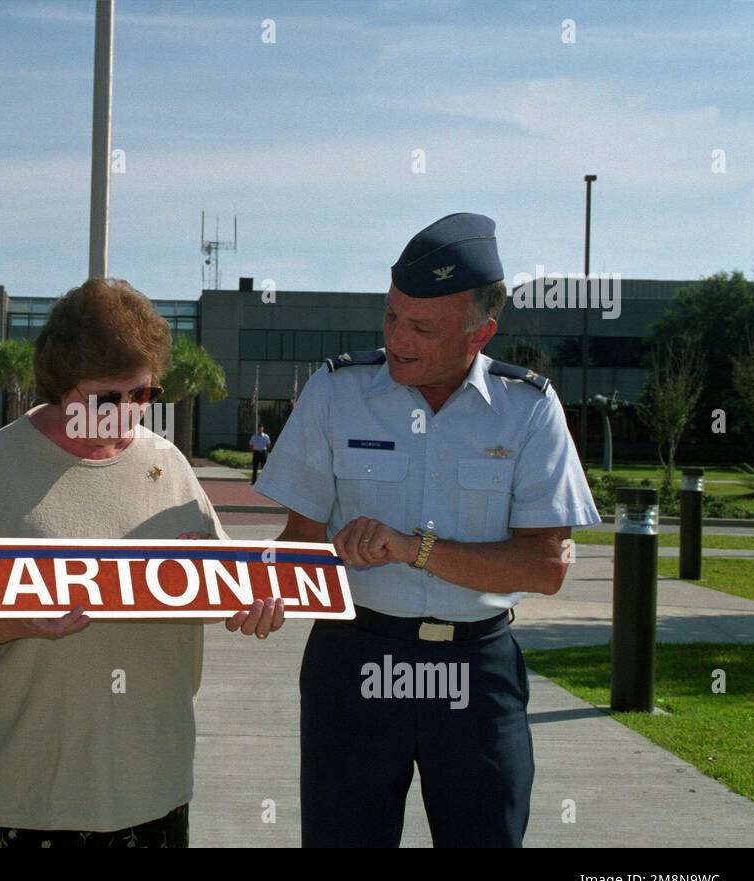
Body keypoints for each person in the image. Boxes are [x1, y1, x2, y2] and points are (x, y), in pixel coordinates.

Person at [255, 213, 600, 847]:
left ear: (482, 332)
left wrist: (414, 550)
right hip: (354, 657)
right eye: (391, 317)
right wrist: (273, 588)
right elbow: (299, 537)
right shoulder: (337, 392)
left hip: (476, 668)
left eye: (420, 327)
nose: (397, 340)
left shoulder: (528, 408)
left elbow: (545, 567)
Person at [0, 278, 285, 848]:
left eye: (144, 395)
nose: (129, 412)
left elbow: (216, 590)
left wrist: (247, 602)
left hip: (149, 788)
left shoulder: (170, 466)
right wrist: (24, 620)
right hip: (14, 794)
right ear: (61, 383)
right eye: (110, 397)